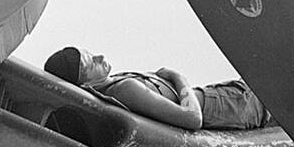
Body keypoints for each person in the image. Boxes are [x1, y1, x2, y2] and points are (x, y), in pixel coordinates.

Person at [42, 46, 273, 131]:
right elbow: (192, 118)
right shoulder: (124, 89)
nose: (100, 56)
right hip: (231, 105)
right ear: (83, 84)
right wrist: (178, 77)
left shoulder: (116, 88)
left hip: (226, 99)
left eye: (91, 54)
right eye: (89, 63)